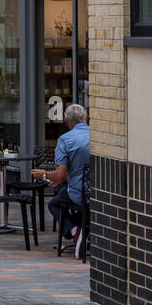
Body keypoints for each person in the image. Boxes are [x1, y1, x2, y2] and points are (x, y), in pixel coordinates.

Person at [35, 103, 91, 256]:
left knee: (55, 203)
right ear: (87, 118)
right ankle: (86, 231)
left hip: (80, 194)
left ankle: (75, 230)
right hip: (99, 193)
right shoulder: (97, 136)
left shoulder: (65, 140)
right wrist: (62, 179)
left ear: (66, 122)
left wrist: (44, 175)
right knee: (62, 190)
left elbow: (59, 174)